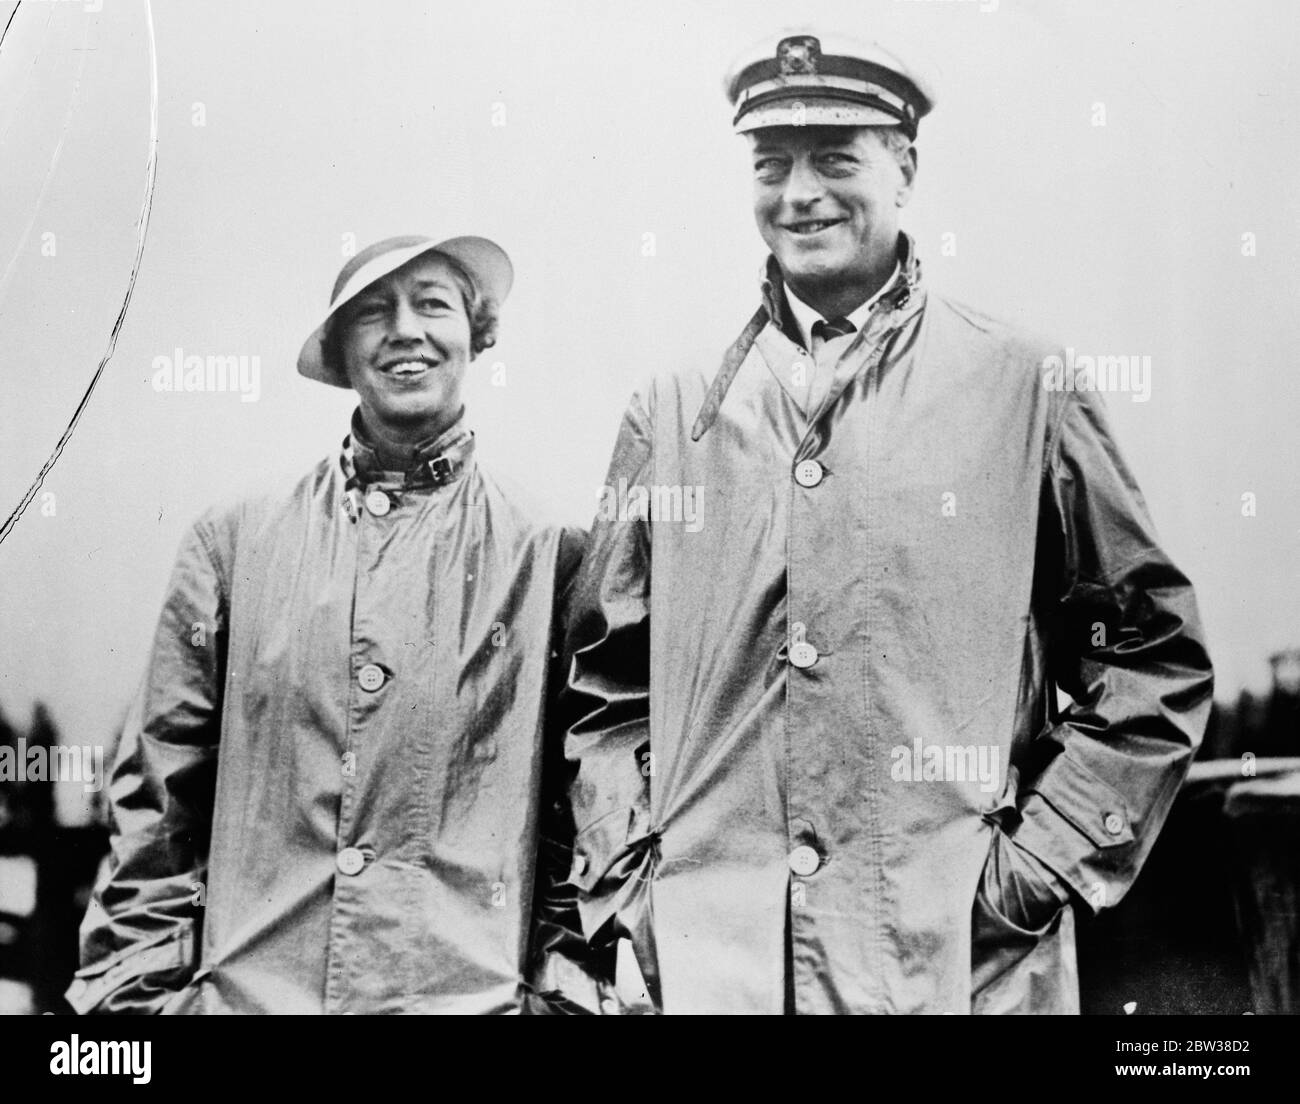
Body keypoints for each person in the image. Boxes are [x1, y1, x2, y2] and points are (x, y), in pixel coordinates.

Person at [562, 31, 1214, 1014]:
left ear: (903, 168)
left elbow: (1150, 656)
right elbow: (604, 689)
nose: (800, 194)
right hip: (717, 977)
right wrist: (636, 887)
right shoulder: (672, 407)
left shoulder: (1022, 381)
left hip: (958, 970)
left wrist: (1031, 873)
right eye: (771, 163)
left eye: (835, 157)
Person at [67, 234, 597, 1013]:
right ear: (342, 349)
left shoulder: (550, 549)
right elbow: (158, 797)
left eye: (433, 304)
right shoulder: (234, 541)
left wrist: (558, 1000)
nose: (406, 330)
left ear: (476, 335)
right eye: (374, 312)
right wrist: (140, 1001)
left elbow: (589, 812)